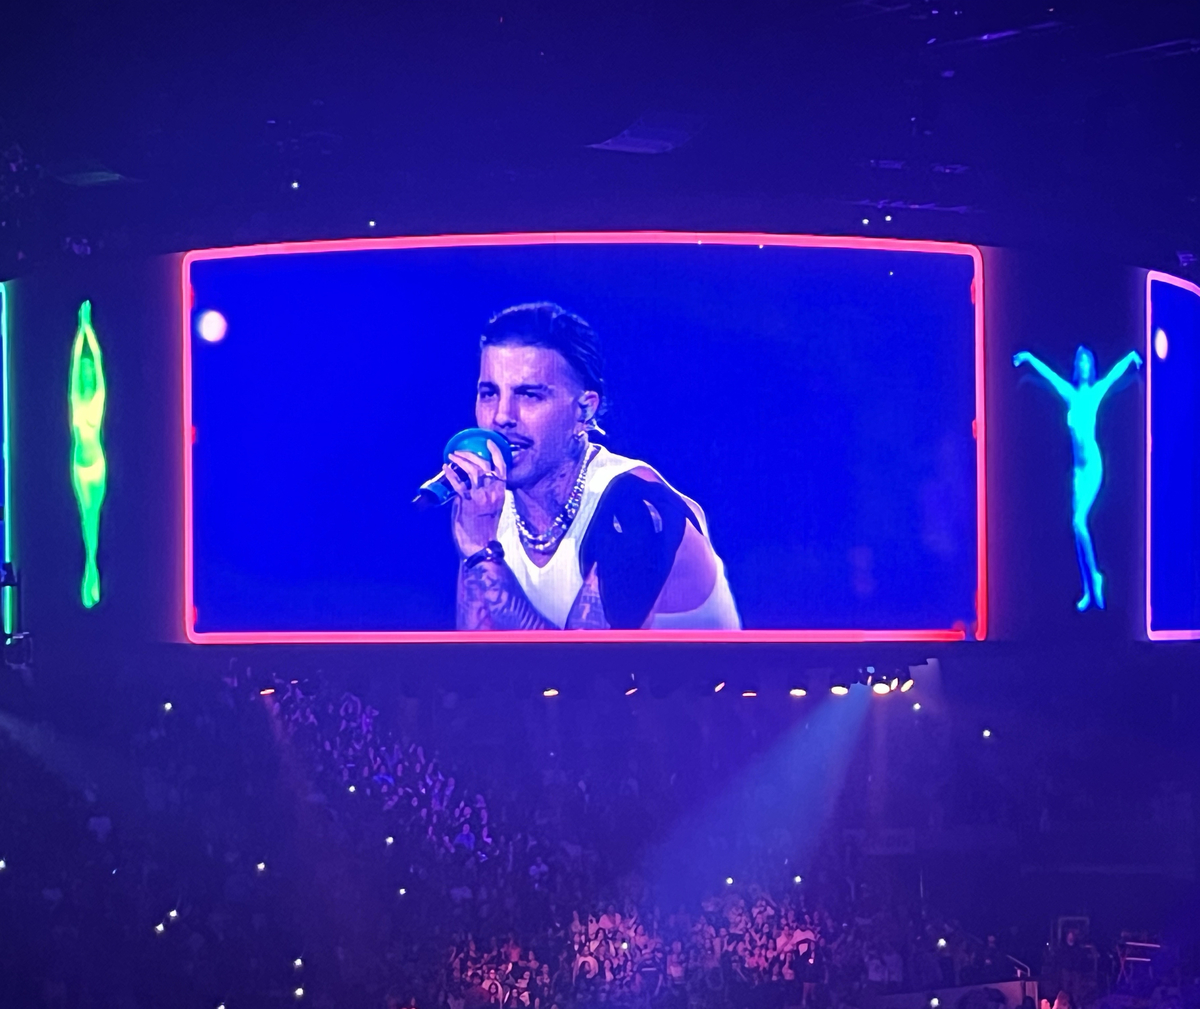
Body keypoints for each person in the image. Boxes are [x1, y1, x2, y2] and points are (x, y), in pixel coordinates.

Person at [442, 302, 741, 631]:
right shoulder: (487, 505)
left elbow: (582, 674)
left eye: (528, 395)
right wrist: (476, 547)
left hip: (708, 683)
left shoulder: (638, 508)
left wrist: (484, 554)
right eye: (489, 394)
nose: (501, 416)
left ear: (583, 411)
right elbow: (475, 662)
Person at [1013, 346, 1141, 611]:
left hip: (1093, 465)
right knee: (1076, 527)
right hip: (1077, 471)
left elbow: (1114, 375)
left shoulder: (1094, 394)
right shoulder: (1070, 395)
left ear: (1090, 367)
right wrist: (1029, 358)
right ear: (1076, 366)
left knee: (1078, 522)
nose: (1082, 365)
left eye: (1086, 361)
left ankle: (1095, 578)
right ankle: (1088, 586)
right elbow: (1048, 375)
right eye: (1079, 361)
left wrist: (1129, 357)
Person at [69, 299, 108, 609]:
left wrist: (88, 330)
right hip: (80, 468)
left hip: (95, 467)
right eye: (82, 374)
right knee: (85, 521)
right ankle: (90, 573)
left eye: (87, 374)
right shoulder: (77, 403)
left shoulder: (96, 401)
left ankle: (92, 572)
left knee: (93, 518)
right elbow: (73, 371)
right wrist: (80, 331)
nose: (84, 376)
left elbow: (96, 362)